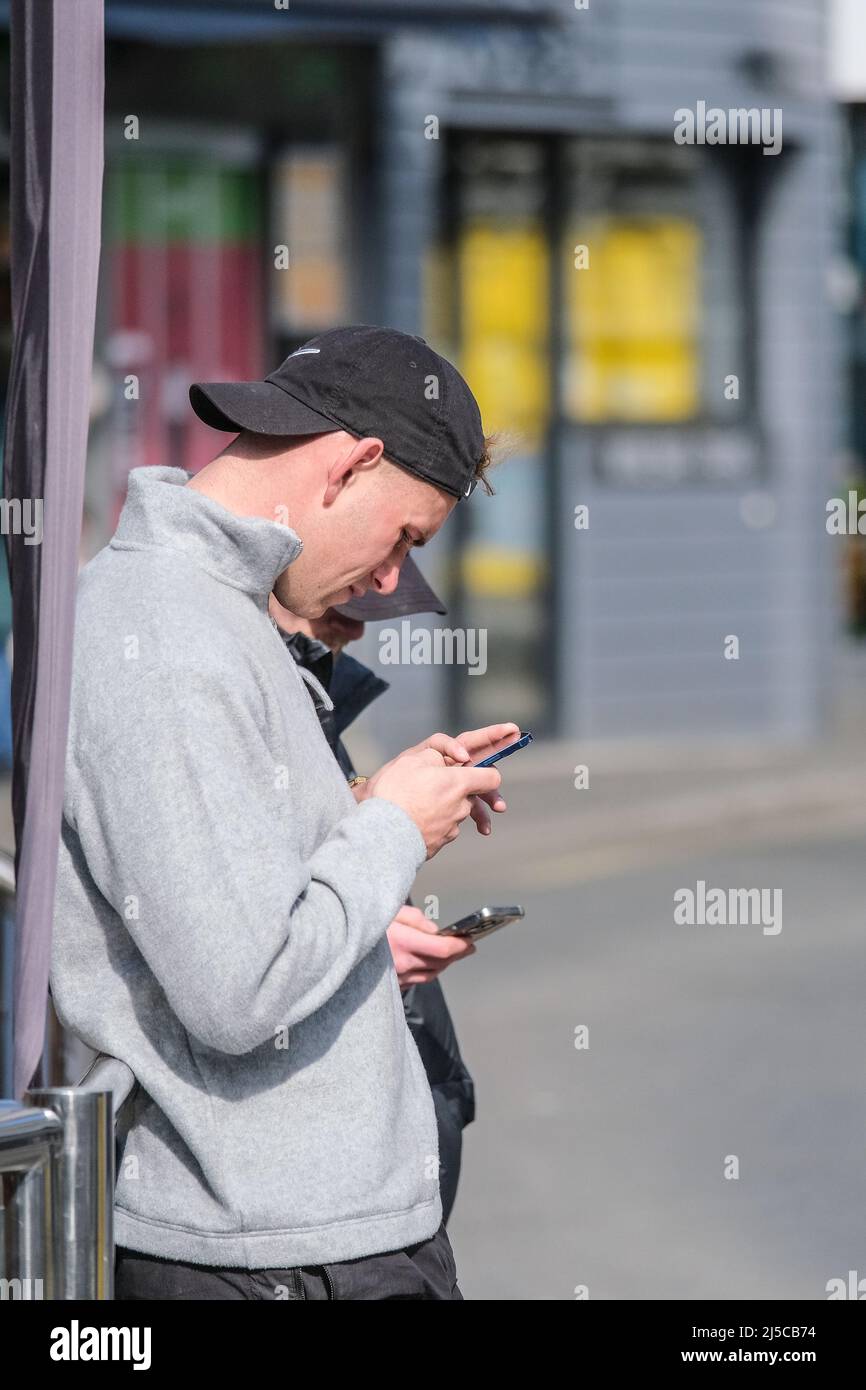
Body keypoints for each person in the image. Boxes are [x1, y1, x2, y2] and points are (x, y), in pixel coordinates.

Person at [50, 325, 517, 1300]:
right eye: (405, 538)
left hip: (302, 1239)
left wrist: (363, 935)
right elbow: (237, 990)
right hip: (268, 1253)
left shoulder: (218, 611)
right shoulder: (163, 627)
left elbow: (247, 920)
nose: (393, 581)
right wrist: (391, 824)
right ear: (352, 463)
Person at [268, 563, 478, 1226]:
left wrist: (373, 799)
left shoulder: (310, 704)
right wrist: (367, 943)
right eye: (344, 600)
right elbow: (244, 954)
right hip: (316, 1212)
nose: (357, 627)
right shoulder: (241, 702)